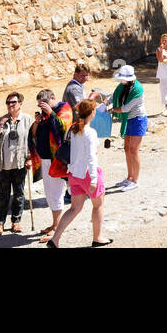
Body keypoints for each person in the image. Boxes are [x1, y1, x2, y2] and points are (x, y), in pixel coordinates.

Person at [48, 99, 112, 248]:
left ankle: (55, 239)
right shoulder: (90, 132)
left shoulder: (73, 129)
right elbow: (91, 157)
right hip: (88, 174)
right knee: (98, 205)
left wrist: (70, 174)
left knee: (74, 208)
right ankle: (98, 238)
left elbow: (72, 153)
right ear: (92, 112)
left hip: (74, 175)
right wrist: (94, 180)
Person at [29, 89, 72, 242]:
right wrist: (38, 122)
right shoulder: (47, 114)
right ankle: (55, 224)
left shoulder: (64, 108)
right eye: (41, 106)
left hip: (57, 160)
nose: (43, 108)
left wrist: (51, 114)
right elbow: (35, 134)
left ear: (53, 98)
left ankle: (57, 227)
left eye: (45, 104)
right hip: (45, 158)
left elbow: (63, 129)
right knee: (50, 193)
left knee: (56, 193)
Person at [0, 91, 31, 235]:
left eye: (13, 102)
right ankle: (0, 223)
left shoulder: (27, 120)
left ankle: (16, 221)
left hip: (19, 163)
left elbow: (31, 141)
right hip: (3, 164)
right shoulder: (0, 120)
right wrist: (0, 124)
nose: (10, 105)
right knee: (3, 194)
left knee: (19, 193)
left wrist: (30, 158)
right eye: (8, 103)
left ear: (20, 104)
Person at [108, 65, 147, 190]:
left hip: (138, 120)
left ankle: (135, 181)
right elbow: (115, 96)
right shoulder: (124, 86)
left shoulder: (138, 90)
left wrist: (112, 110)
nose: (120, 81)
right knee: (127, 148)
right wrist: (105, 102)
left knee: (134, 150)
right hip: (129, 120)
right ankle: (129, 177)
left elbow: (125, 108)